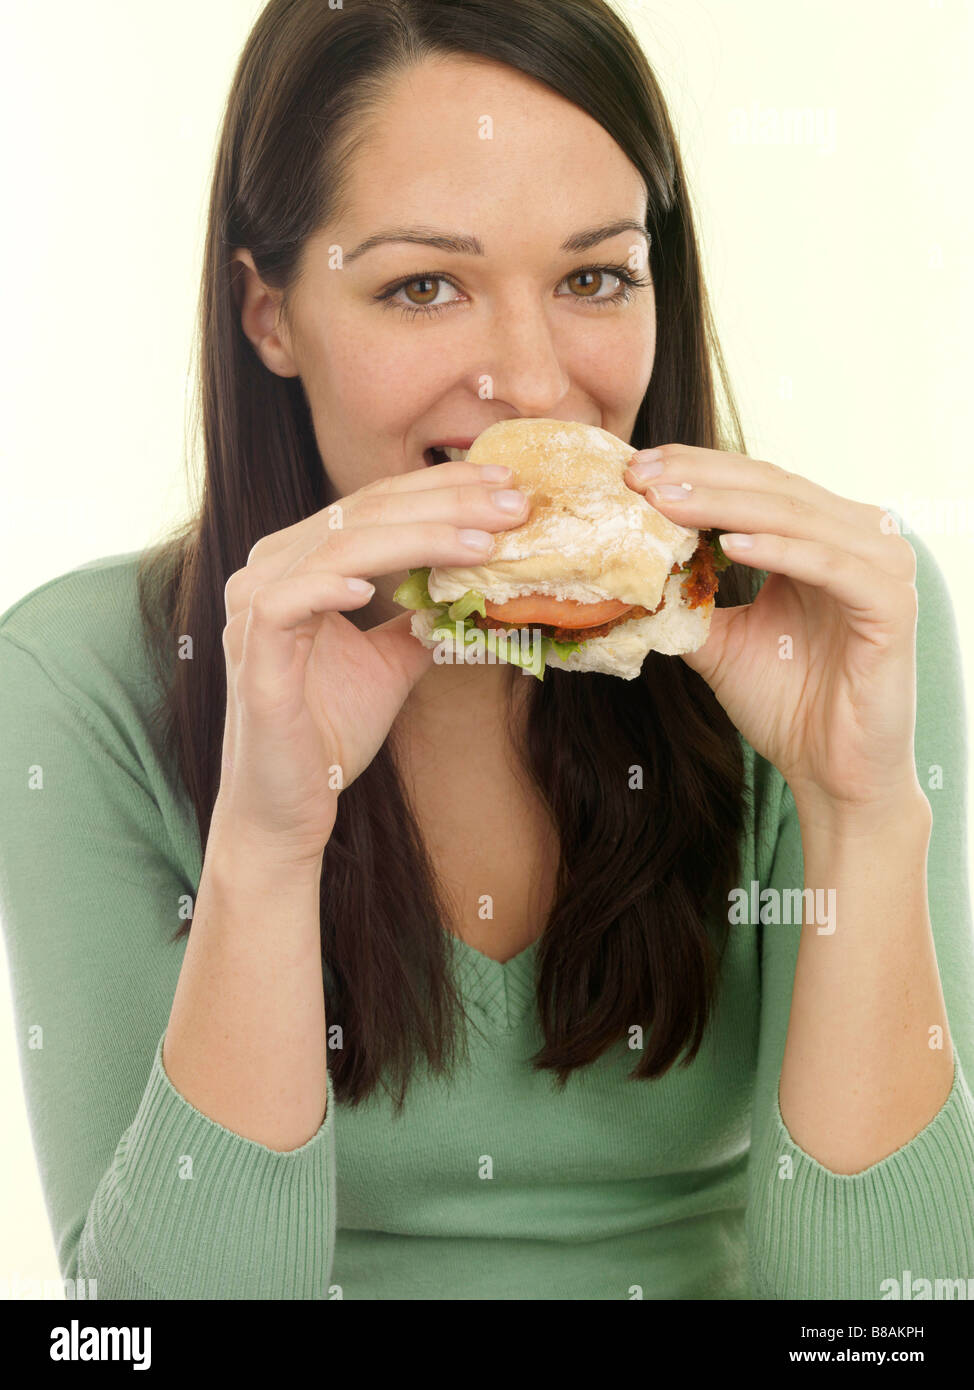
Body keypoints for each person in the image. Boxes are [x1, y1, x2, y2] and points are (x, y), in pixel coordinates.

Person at [2, 0, 972, 1301]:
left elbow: (883, 1333)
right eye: (422, 285)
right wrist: (266, 844)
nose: (528, 381)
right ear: (269, 313)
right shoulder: (77, 677)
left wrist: (859, 816)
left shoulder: (833, 616)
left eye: (592, 278)